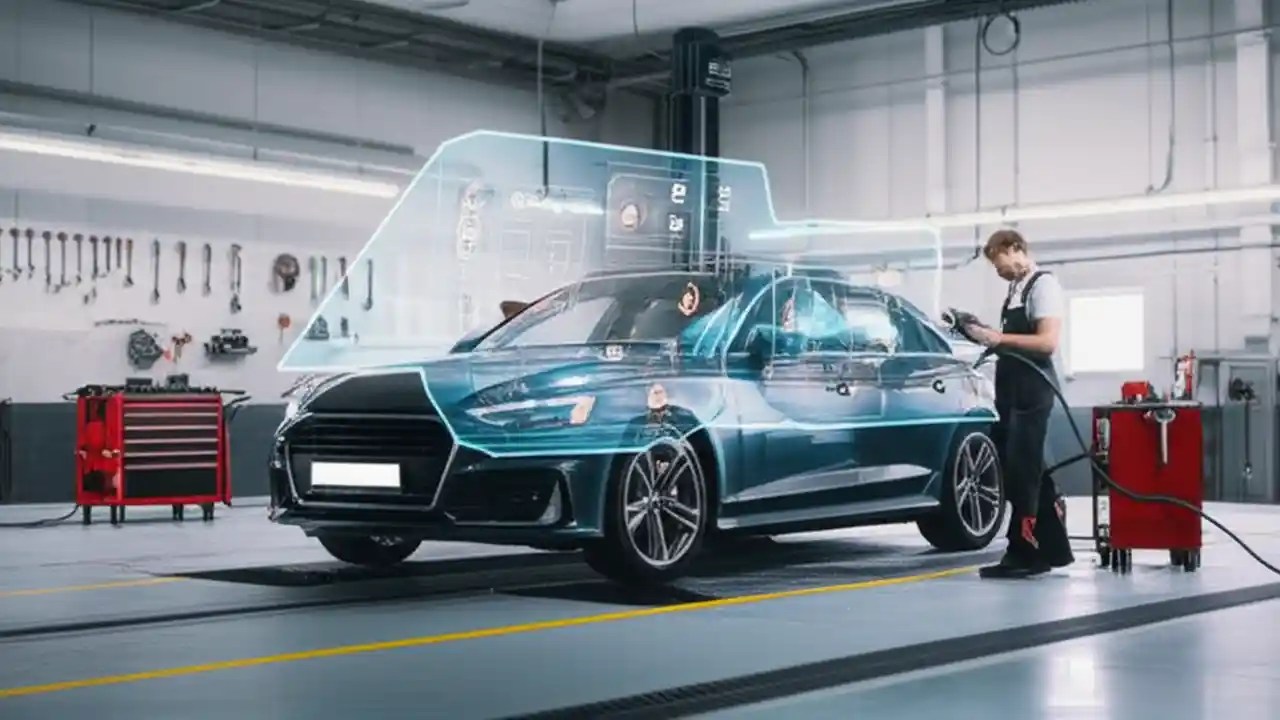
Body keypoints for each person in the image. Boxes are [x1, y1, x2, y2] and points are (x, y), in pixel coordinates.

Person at [964, 229, 1075, 578]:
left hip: (1034, 388)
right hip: (1011, 389)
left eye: (999, 264)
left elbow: (1047, 342)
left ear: (1015, 248)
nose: (999, 272)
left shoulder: (1043, 286)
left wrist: (997, 338)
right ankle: (1053, 549)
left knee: (1024, 472)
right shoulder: (1016, 289)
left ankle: (1024, 552)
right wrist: (977, 331)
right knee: (1027, 469)